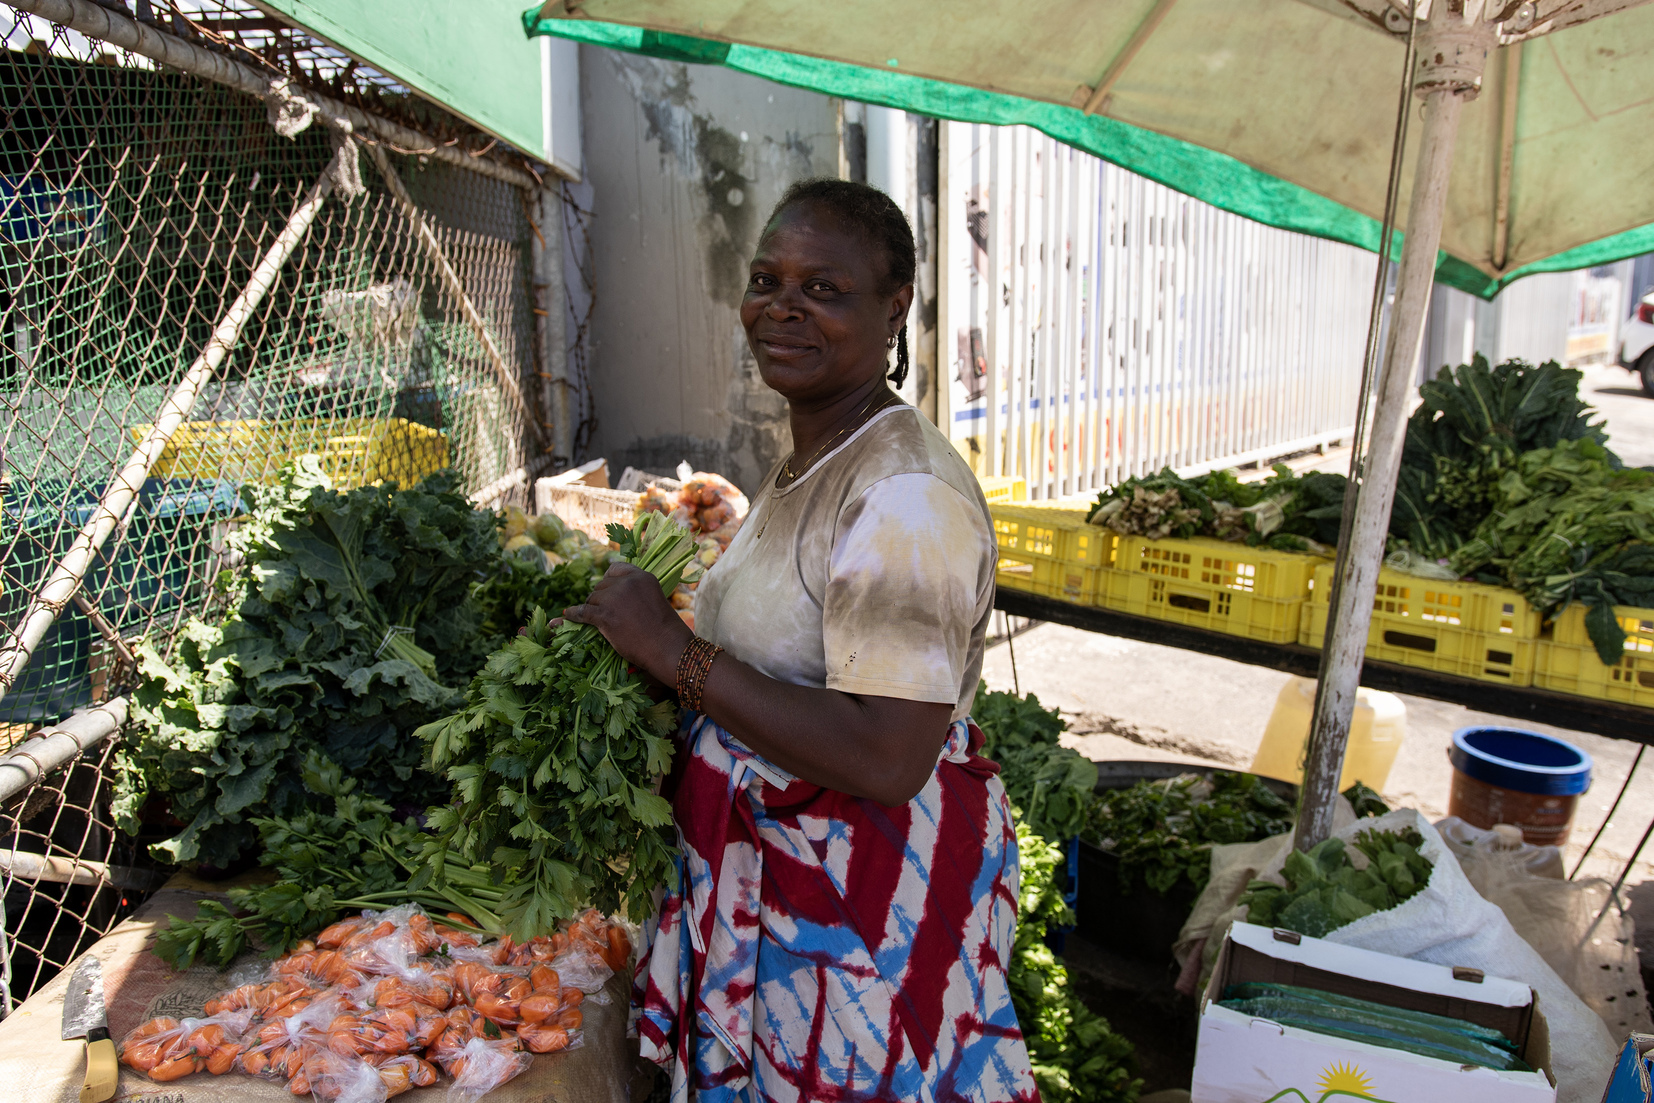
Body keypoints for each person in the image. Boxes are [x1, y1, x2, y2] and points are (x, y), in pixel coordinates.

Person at [562, 178, 1037, 1103]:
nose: (783, 306)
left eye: (824, 288)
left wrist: (673, 651)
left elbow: (886, 752)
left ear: (894, 307)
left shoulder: (905, 496)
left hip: (856, 903)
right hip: (784, 882)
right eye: (768, 279)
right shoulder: (817, 455)